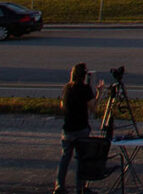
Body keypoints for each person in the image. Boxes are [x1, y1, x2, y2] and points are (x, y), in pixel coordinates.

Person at [55, 63, 97, 194]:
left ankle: (59, 186)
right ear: (84, 76)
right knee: (81, 159)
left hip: (67, 128)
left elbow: (62, 105)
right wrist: (99, 93)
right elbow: (93, 108)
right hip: (81, 128)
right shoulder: (85, 89)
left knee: (65, 158)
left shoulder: (67, 88)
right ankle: (80, 187)